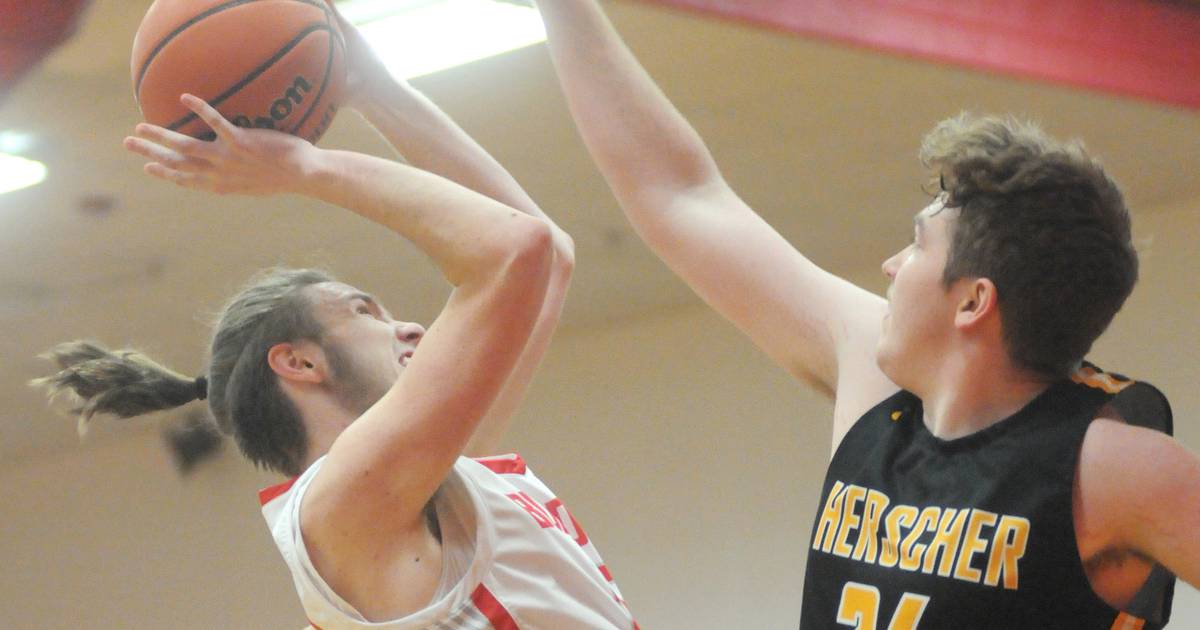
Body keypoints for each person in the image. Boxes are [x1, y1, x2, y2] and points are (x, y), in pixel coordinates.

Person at [532, 2, 1199, 628]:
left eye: (916, 242)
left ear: (972, 300)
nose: (890, 265)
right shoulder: (878, 390)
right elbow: (678, 195)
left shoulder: (1110, 462)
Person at [33, 8, 637, 629]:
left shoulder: (426, 479)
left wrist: (366, 85)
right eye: (365, 312)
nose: (411, 329)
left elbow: (547, 260)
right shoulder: (344, 506)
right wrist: (304, 168)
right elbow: (515, 249)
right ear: (298, 361)